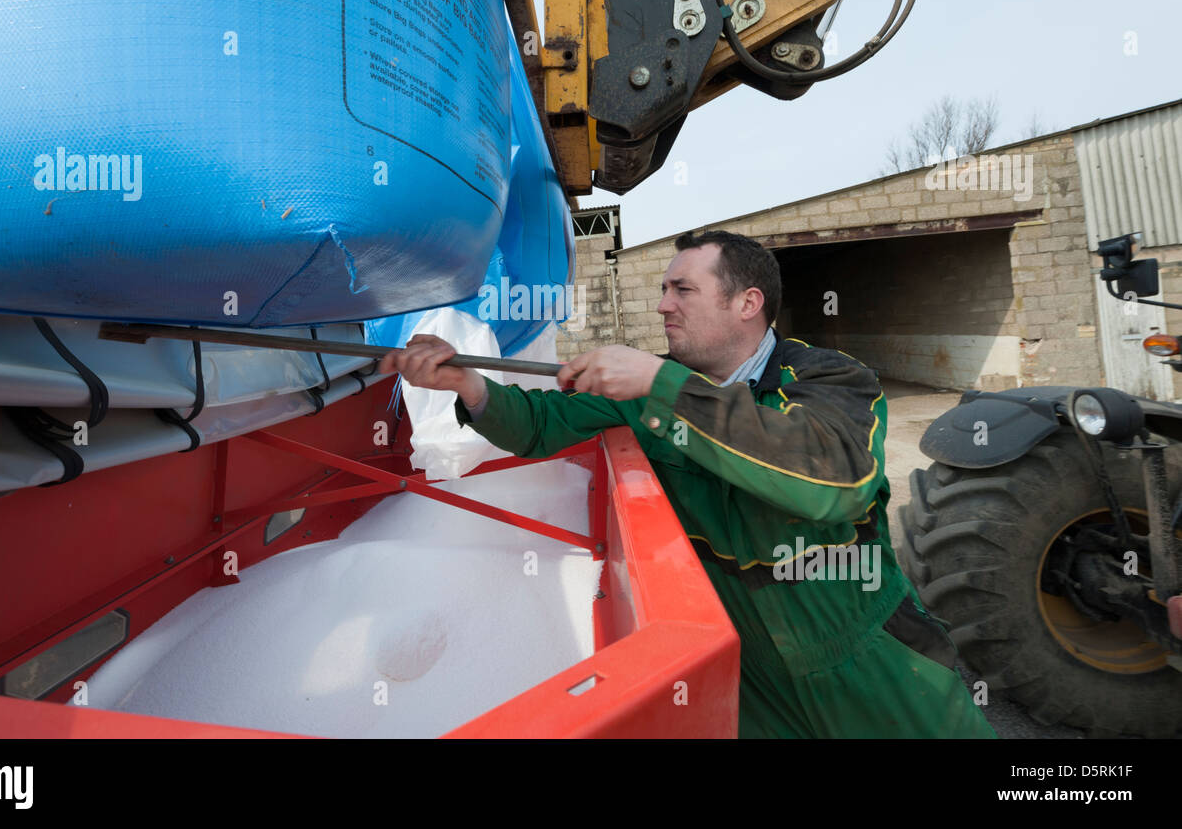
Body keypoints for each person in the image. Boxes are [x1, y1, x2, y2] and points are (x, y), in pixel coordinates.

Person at [379, 230, 995, 739]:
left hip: (862, 648)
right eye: (664, 290)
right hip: (748, 669)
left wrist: (660, 383)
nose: (663, 305)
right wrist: (470, 386)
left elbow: (831, 480)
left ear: (746, 304)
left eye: (682, 290)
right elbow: (542, 424)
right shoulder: (656, 387)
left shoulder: (829, 378)